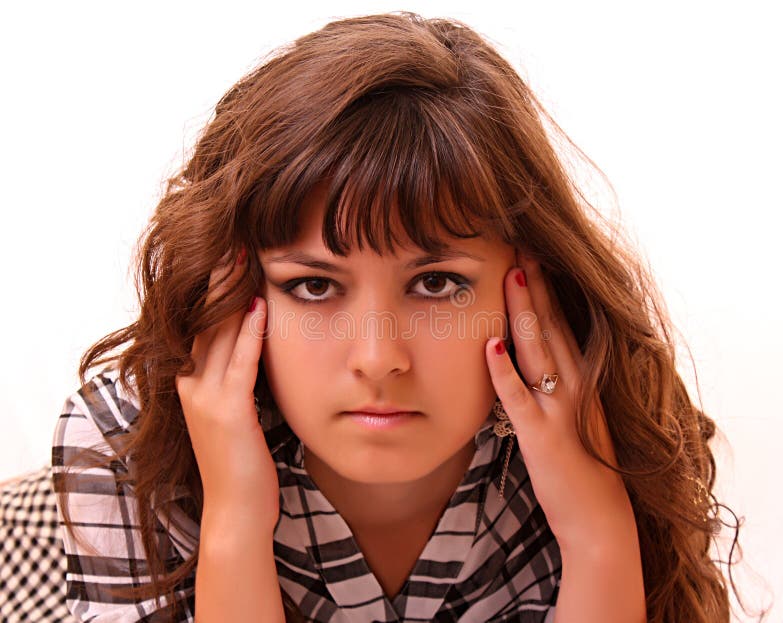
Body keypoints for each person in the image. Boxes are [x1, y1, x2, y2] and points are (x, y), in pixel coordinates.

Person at [50, 11, 745, 623]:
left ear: (525, 279)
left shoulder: (609, 408)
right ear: (235, 282)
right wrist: (234, 523)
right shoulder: (121, 445)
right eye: (315, 286)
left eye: (436, 281)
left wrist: (598, 532)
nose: (379, 357)